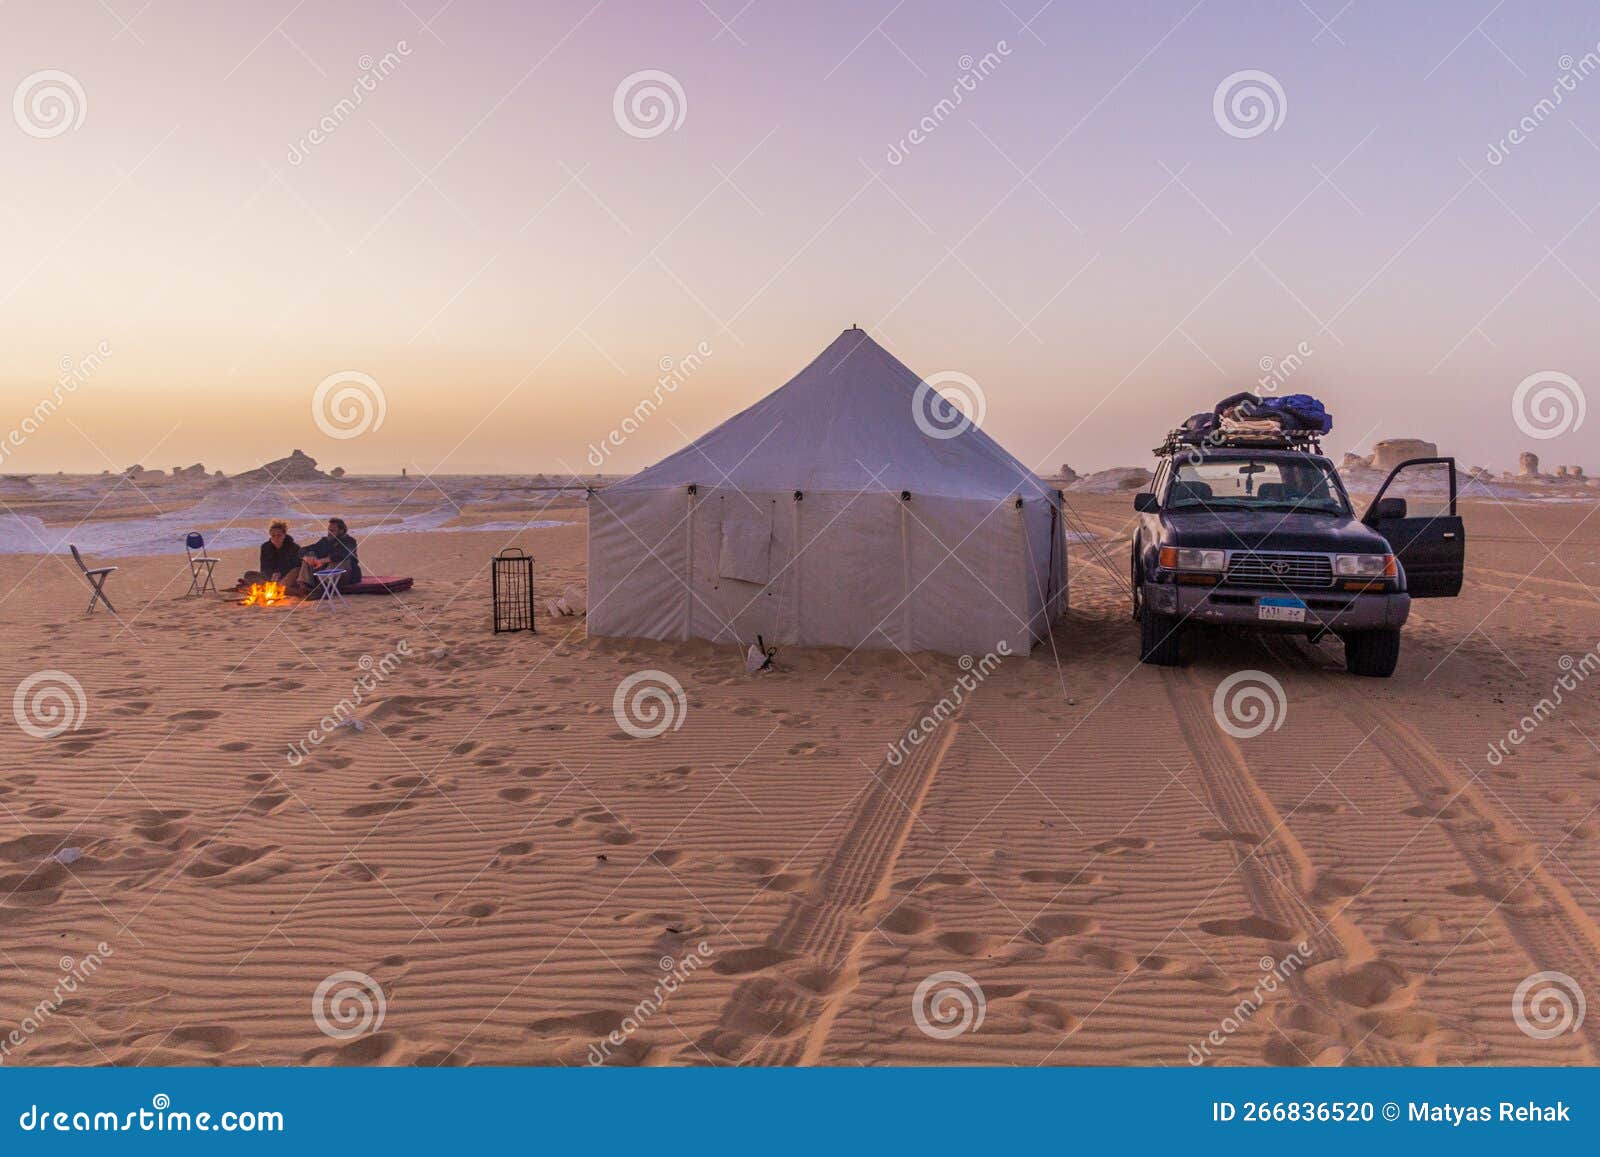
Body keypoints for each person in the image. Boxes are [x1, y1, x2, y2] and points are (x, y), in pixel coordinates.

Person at [294, 517, 362, 593]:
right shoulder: (325, 541)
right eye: (329, 530)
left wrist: (323, 561)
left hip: (345, 576)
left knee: (342, 560)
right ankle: (305, 585)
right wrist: (307, 557)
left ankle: (323, 586)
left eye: (332, 531)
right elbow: (303, 550)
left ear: (341, 531)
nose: (329, 532)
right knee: (309, 554)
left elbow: (344, 553)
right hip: (325, 574)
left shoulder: (350, 541)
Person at [238, 519, 301, 589]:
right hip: (270, 578)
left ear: (284, 535)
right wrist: (271, 575)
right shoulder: (265, 547)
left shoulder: (294, 547)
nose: (276, 538)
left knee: (296, 571)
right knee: (248, 574)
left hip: (287, 577)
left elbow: (296, 566)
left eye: (279, 535)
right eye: (273, 535)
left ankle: (277, 587)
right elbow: (264, 567)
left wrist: (280, 573)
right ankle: (274, 587)